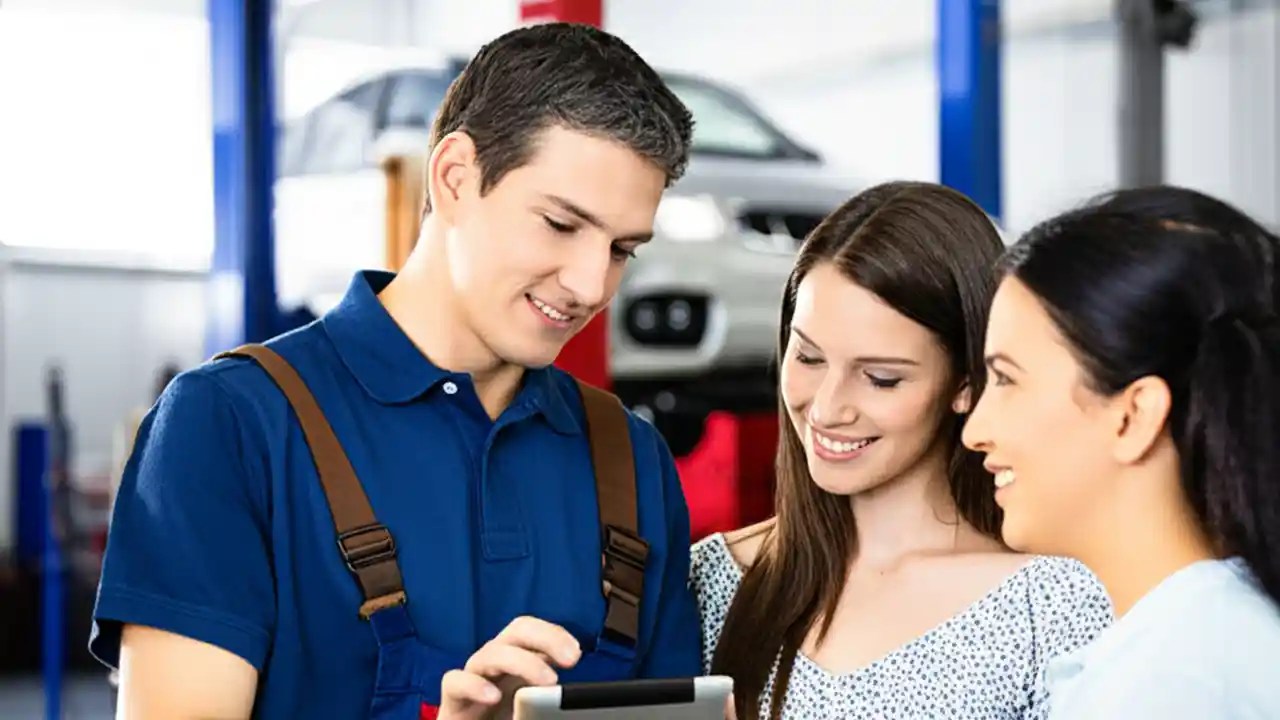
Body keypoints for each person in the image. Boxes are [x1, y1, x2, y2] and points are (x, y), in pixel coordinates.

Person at [91, 23, 701, 720]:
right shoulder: (229, 426)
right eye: (560, 225)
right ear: (455, 178)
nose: (592, 285)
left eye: (622, 249)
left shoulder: (632, 461)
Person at [691, 181, 1113, 720]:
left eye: (881, 378)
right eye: (809, 358)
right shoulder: (708, 581)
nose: (828, 408)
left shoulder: (1054, 605)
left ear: (966, 383)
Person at [962, 186, 1280, 718]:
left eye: (1006, 379)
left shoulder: (1171, 684)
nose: (974, 431)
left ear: (1133, 416)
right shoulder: (1211, 643)